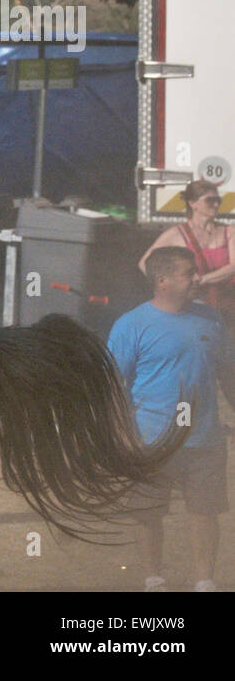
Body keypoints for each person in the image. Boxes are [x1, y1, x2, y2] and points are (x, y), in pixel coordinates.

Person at [108, 246, 235, 592]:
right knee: (148, 513)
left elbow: (228, 373)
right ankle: (154, 580)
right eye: (188, 273)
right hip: (151, 439)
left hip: (205, 438)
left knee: (204, 513)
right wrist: (122, 433)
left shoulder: (210, 317)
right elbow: (113, 386)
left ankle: (204, 582)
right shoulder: (130, 325)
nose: (197, 278)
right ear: (162, 280)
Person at [139, 180, 235, 327]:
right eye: (210, 200)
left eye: (218, 200)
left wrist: (201, 280)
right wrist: (170, 292)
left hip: (227, 307)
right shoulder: (177, 234)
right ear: (193, 203)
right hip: (193, 310)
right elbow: (145, 264)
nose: (216, 205)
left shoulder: (229, 231)